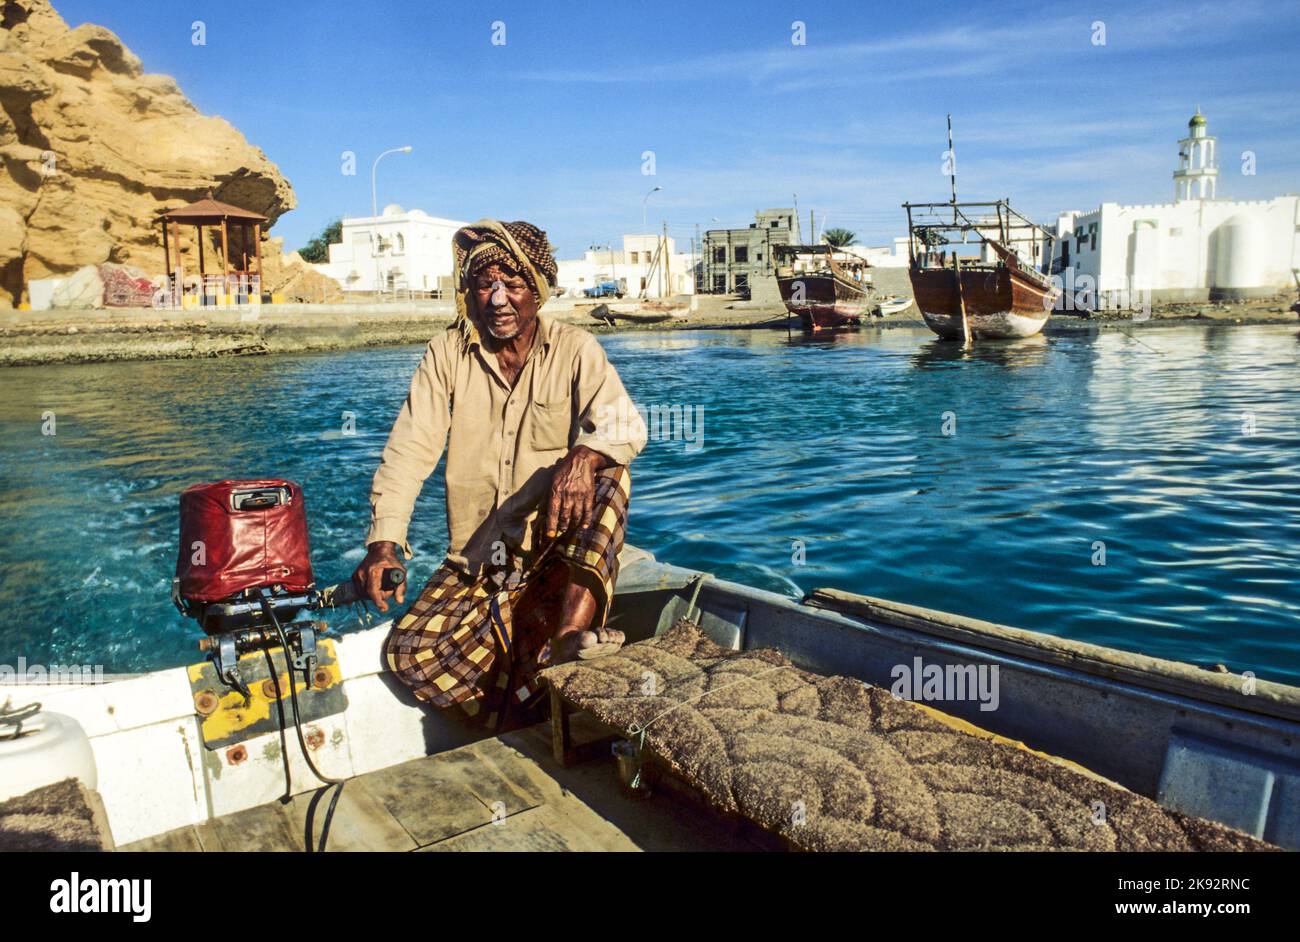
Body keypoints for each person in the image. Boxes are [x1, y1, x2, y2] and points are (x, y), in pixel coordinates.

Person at [352, 219, 647, 729]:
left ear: (537, 291)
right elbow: (408, 450)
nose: (497, 299)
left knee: (609, 473)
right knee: (409, 655)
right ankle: (523, 651)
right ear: (469, 294)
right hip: (482, 559)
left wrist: (583, 457)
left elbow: (623, 426)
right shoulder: (447, 353)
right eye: (483, 285)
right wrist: (384, 543)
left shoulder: (575, 349)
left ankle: (565, 636)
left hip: (554, 550)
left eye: (511, 284)